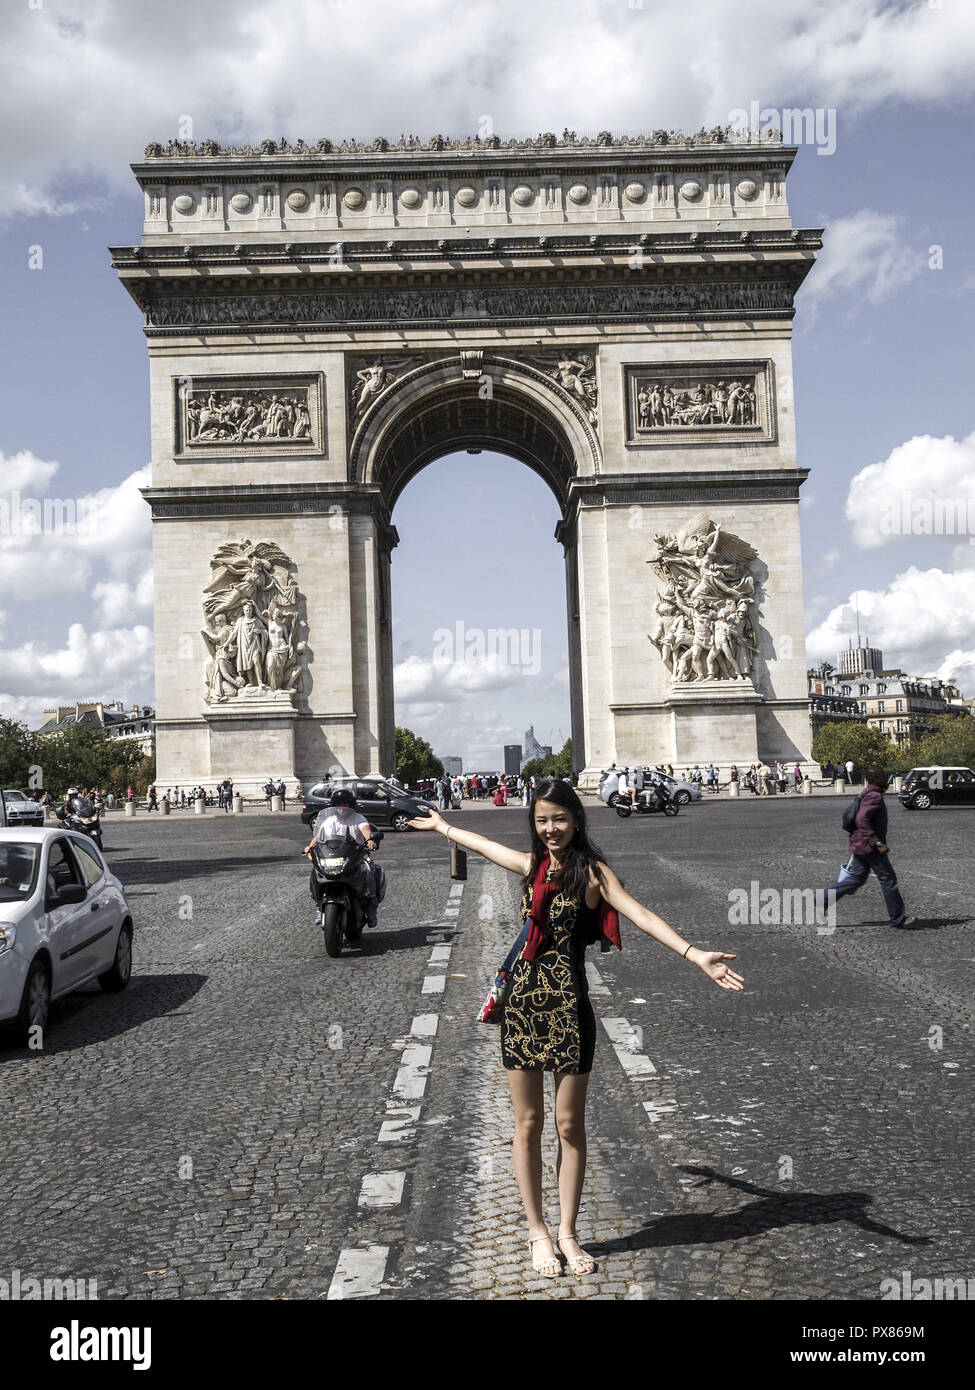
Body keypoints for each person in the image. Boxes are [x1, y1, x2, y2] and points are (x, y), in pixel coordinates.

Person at [408, 779, 743, 1279]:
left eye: (559, 819)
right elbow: (487, 848)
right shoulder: (532, 866)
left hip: (569, 1006)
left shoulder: (594, 874)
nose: (550, 829)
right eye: (542, 820)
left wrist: (697, 956)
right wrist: (444, 827)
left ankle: (567, 1231)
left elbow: (644, 916)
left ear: (576, 819)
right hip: (523, 1004)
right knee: (527, 1124)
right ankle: (537, 1231)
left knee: (568, 1125)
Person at [821, 766, 915, 930]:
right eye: (883, 776)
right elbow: (862, 820)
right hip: (870, 847)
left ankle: (822, 899)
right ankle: (898, 918)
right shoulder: (874, 796)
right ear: (877, 779)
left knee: (855, 879)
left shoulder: (865, 792)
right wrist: (877, 842)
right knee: (888, 880)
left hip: (859, 844)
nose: (886, 779)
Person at [304, 788, 379, 927]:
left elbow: (366, 830)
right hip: (334, 855)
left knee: (369, 871)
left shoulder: (358, 818)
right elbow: (319, 835)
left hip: (356, 856)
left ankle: (371, 908)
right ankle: (318, 904)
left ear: (351, 805)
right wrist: (310, 846)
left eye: (345, 804)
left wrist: (370, 840)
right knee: (315, 872)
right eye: (339, 805)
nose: (342, 808)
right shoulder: (329, 820)